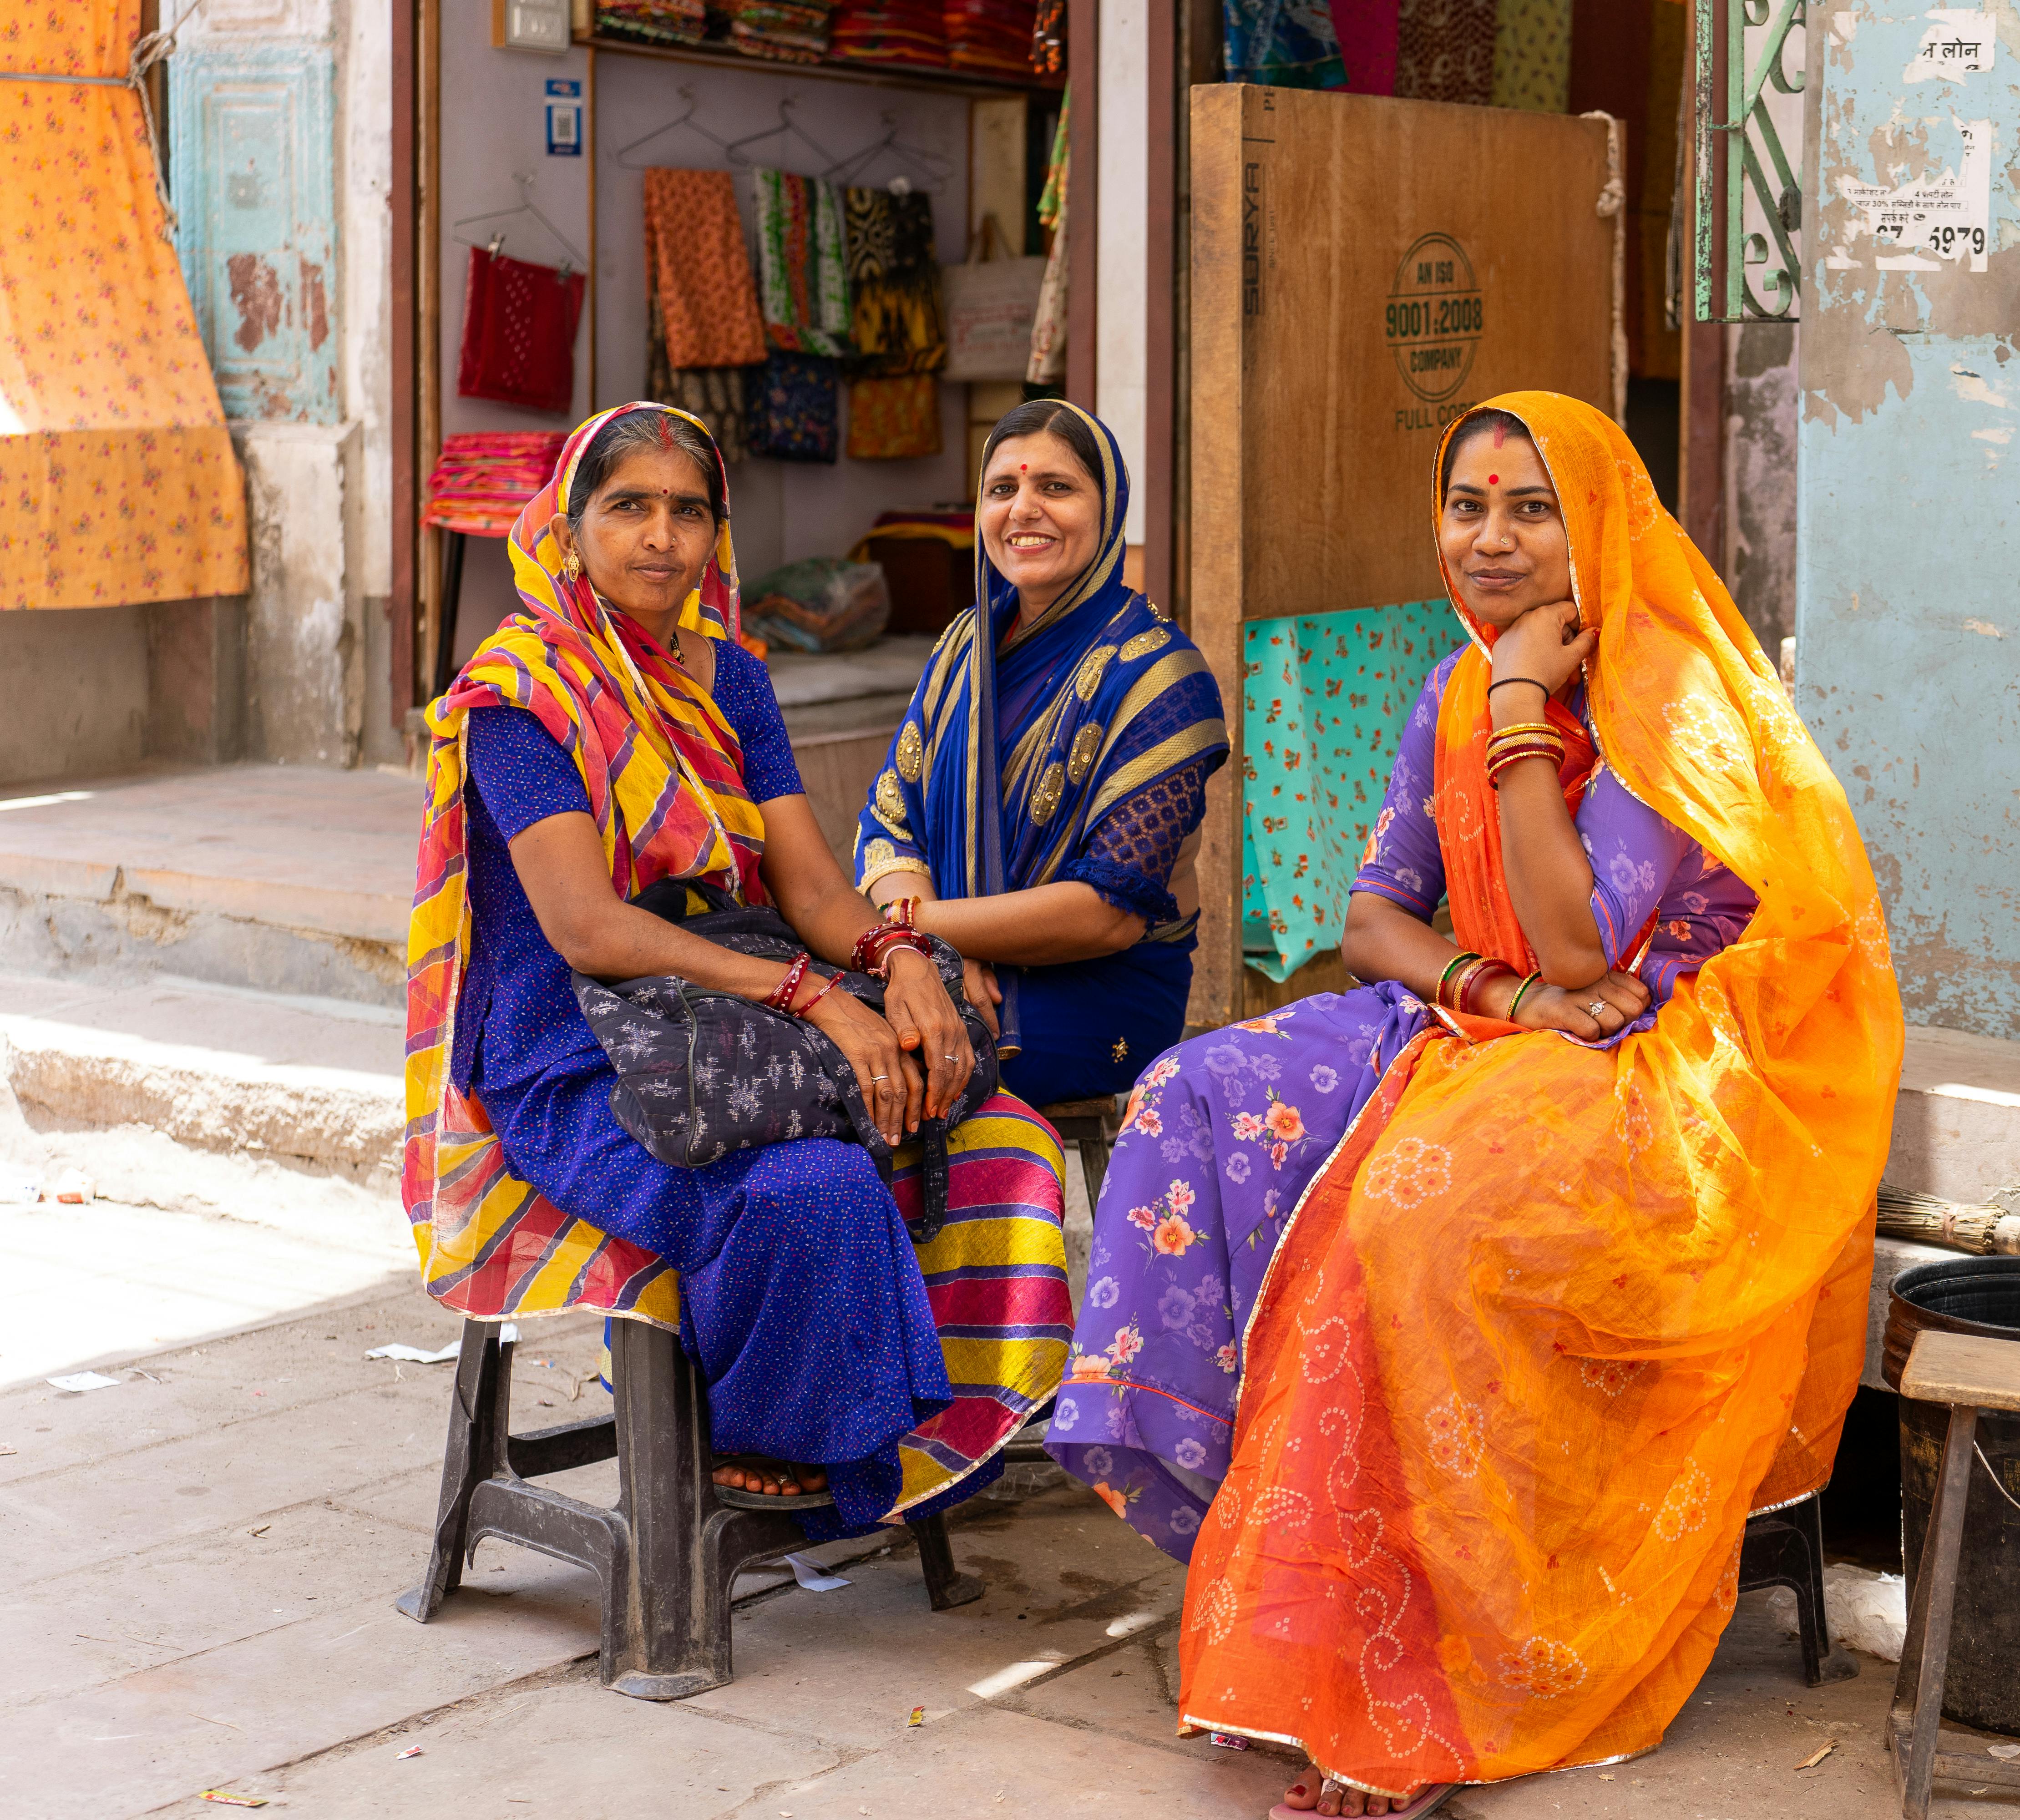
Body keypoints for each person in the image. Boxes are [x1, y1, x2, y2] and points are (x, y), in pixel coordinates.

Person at [1048, 392, 1901, 1815]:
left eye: (1530, 506)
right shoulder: (1452, 686)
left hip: (1667, 1058)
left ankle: (1418, 1667)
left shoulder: (1663, 693)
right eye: (1468, 506)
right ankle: (1273, 1576)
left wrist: (1520, 705)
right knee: (1190, 1093)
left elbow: (1587, 944)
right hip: (1491, 1021)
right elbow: (1375, 919)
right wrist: (1498, 997)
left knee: (1410, 1219)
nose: (1491, 538)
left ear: (1600, 521)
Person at [403, 401, 1072, 1535]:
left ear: (716, 535)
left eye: (688, 511)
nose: (660, 536)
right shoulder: (523, 694)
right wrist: (812, 993)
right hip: (569, 1054)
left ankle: (937, 1443)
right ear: (567, 529)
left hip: (724, 1026)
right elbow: (587, 929)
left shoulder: (734, 679)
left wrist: (898, 955)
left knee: (1006, 1138)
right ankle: (779, 1443)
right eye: (628, 506)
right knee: (810, 1191)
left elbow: (811, 890)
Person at [853, 401, 1228, 1106]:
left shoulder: (1158, 678)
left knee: (868, 1069)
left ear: (1109, 507)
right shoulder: (966, 645)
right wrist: (930, 959)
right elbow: (888, 821)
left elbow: (1108, 911)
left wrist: (925, 933)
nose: (1023, 509)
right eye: (1003, 490)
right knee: (818, 1028)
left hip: (1092, 997)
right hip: (939, 963)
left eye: (1055, 488)